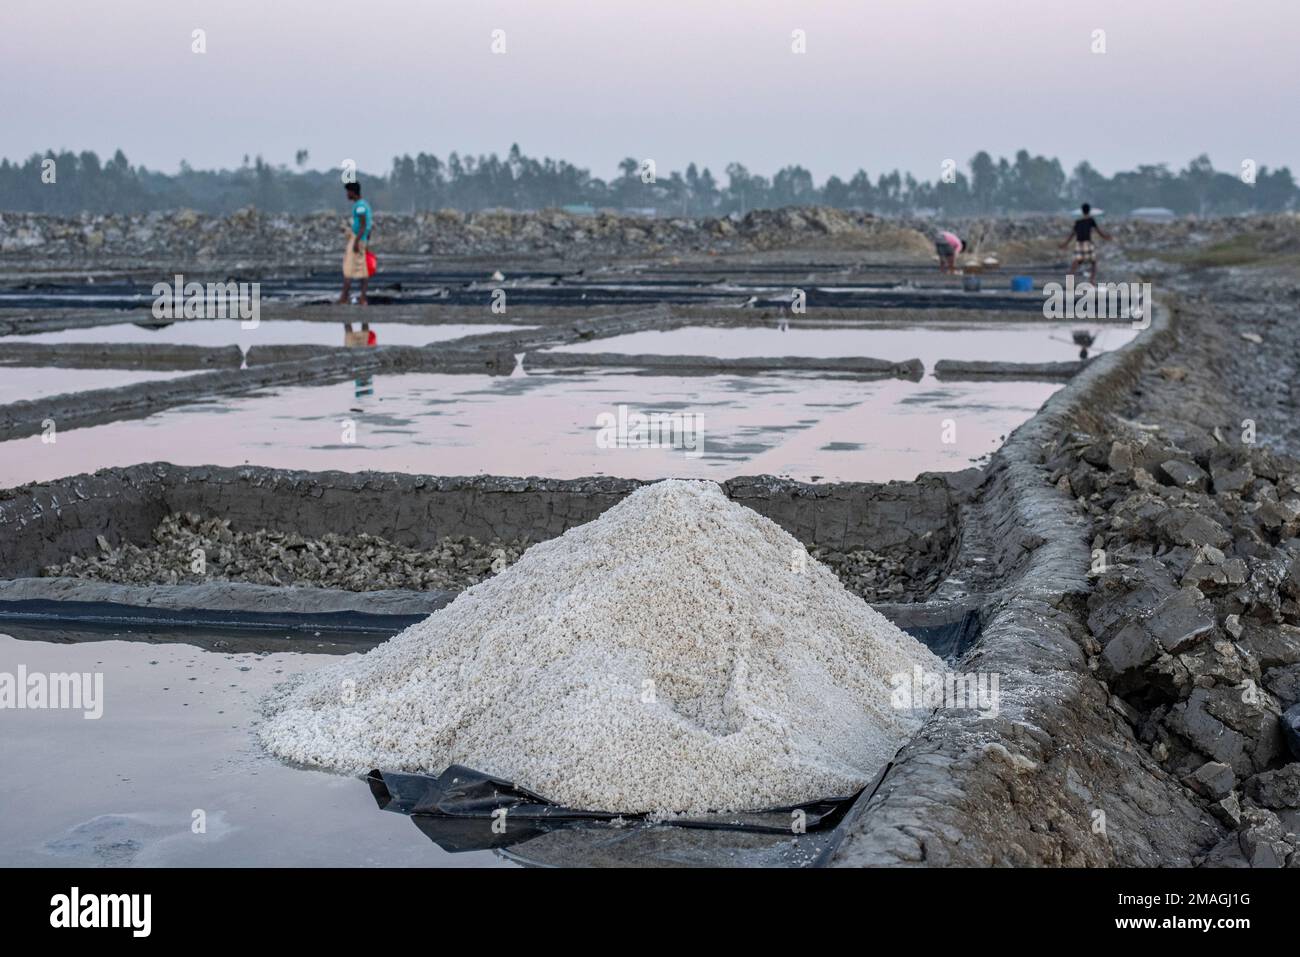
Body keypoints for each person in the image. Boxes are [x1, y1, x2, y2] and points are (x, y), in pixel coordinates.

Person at [339, 180, 373, 306]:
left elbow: (363, 225)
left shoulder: (359, 206)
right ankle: (362, 298)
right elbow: (369, 226)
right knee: (363, 270)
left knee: (348, 269)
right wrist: (365, 240)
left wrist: (356, 242)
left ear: (353, 192)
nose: (347, 194)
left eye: (348, 192)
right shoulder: (365, 204)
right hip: (362, 239)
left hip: (358, 239)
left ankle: (344, 298)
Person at [1062, 202, 1110, 282]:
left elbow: (1072, 234)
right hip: (1087, 243)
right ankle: (1091, 280)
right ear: (1089, 211)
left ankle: (1070, 278)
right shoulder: (1091, 220)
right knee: (1093, 262)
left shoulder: (1078, 222)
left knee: (1077, 261)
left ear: (1082, 211)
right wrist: (1106, 237)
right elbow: (1099, 231)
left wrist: (1065, 244)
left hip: (1079, 243)